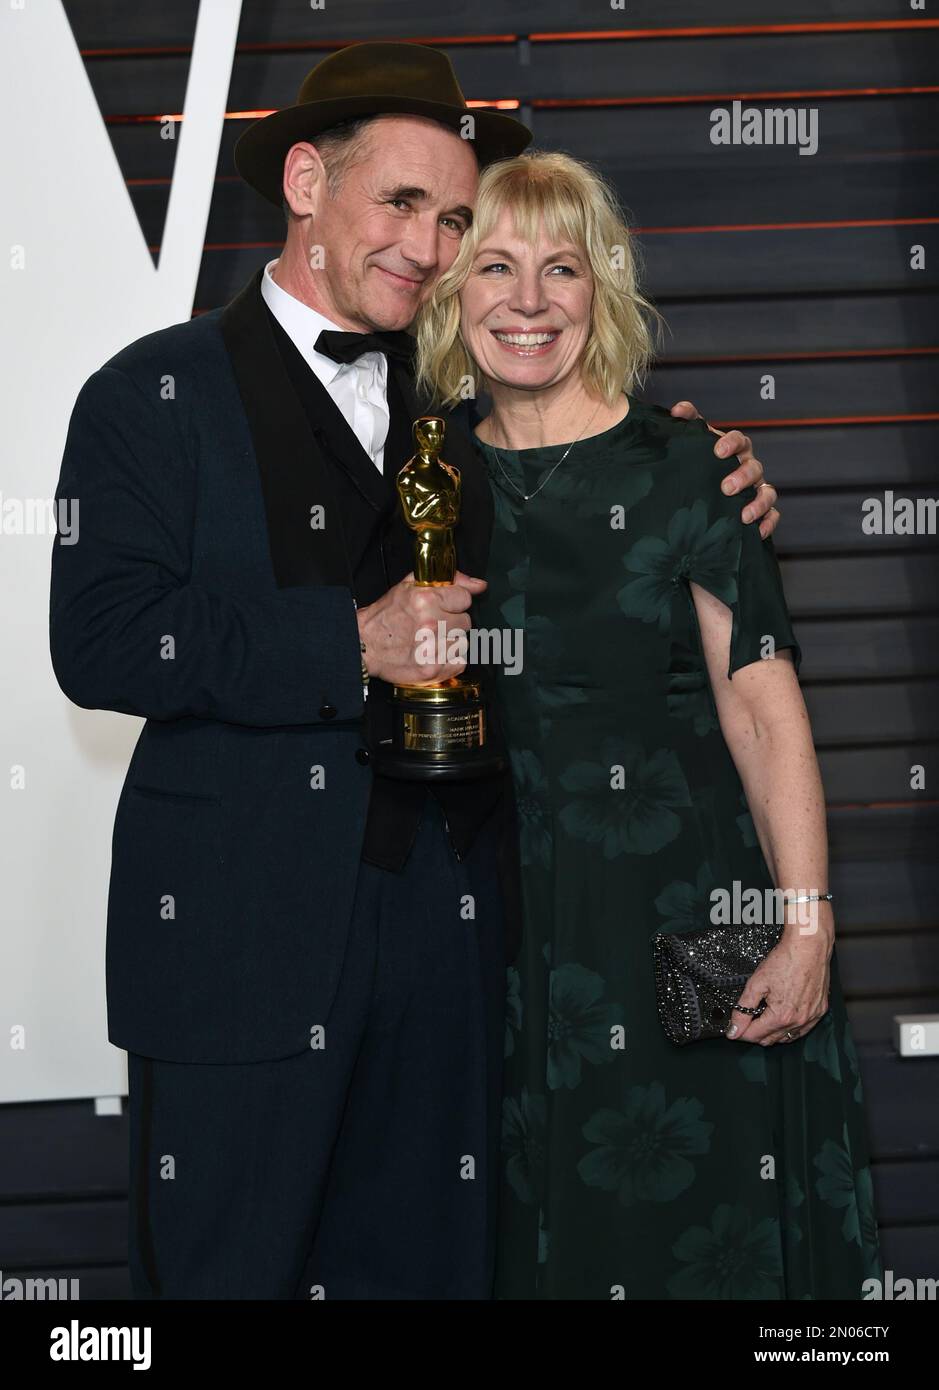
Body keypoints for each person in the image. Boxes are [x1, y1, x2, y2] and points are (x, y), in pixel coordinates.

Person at [49, 44, 777, 1299]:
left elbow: (601, 484)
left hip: (455, 943)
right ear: (301, 183)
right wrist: (351, 641)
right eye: (401, 205)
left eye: (453, 219)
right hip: (238, 949)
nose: (432, 248)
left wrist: (704, 467)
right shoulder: (149, 395)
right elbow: (100, 636)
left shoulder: (463, 401)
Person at [414, 149, 883, 1299]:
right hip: (508, 945)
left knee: (708, 1220)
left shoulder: (689, 473)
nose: (528, 302)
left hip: (693, 915)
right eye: (497, 268)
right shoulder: (425, 483)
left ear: (601, 291)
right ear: (450, 293)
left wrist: (807, 925)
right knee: (545, 1241)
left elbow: (763, 708)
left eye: (561, 269)